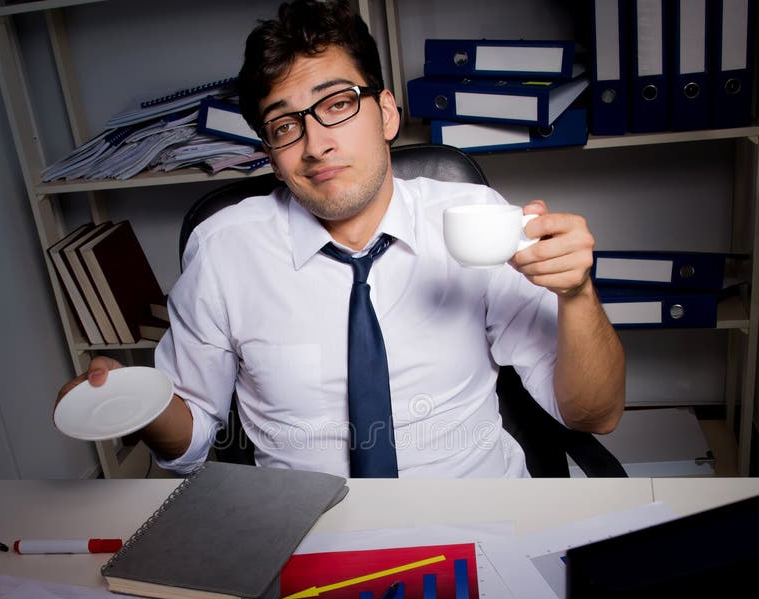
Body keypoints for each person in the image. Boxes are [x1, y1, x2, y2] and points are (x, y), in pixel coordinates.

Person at [56, 0, 625, 478]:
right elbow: (193, 440)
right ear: (272, 157)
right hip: (307, 535)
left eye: (337, 105)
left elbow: (593, 415)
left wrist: (577, 296)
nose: (316, 143)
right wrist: (134, 403)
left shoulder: (473, 217)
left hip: (481, 521)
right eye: (285, 125)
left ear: (384, 114)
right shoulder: (225, 250)